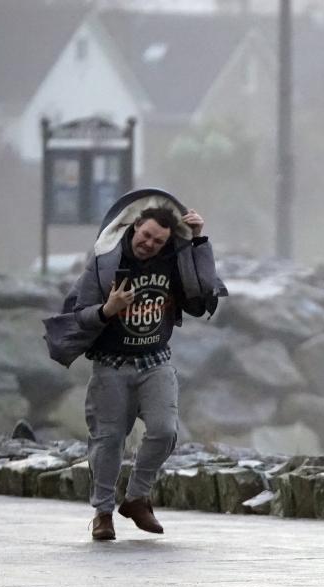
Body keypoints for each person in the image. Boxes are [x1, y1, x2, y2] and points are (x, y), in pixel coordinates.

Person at [58, 194, 222, 541]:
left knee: (164, 431)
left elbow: (203, 290)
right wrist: (108, 308)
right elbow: (77, 315)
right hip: (110, 364)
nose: (149, 244)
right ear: (134, 228)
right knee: (108, 440)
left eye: (158, 240)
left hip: (155, 361)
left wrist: (199, 240)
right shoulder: (104, 263)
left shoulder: (174, 261)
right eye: (145, 236)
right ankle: (103, 514)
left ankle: (136, 498)